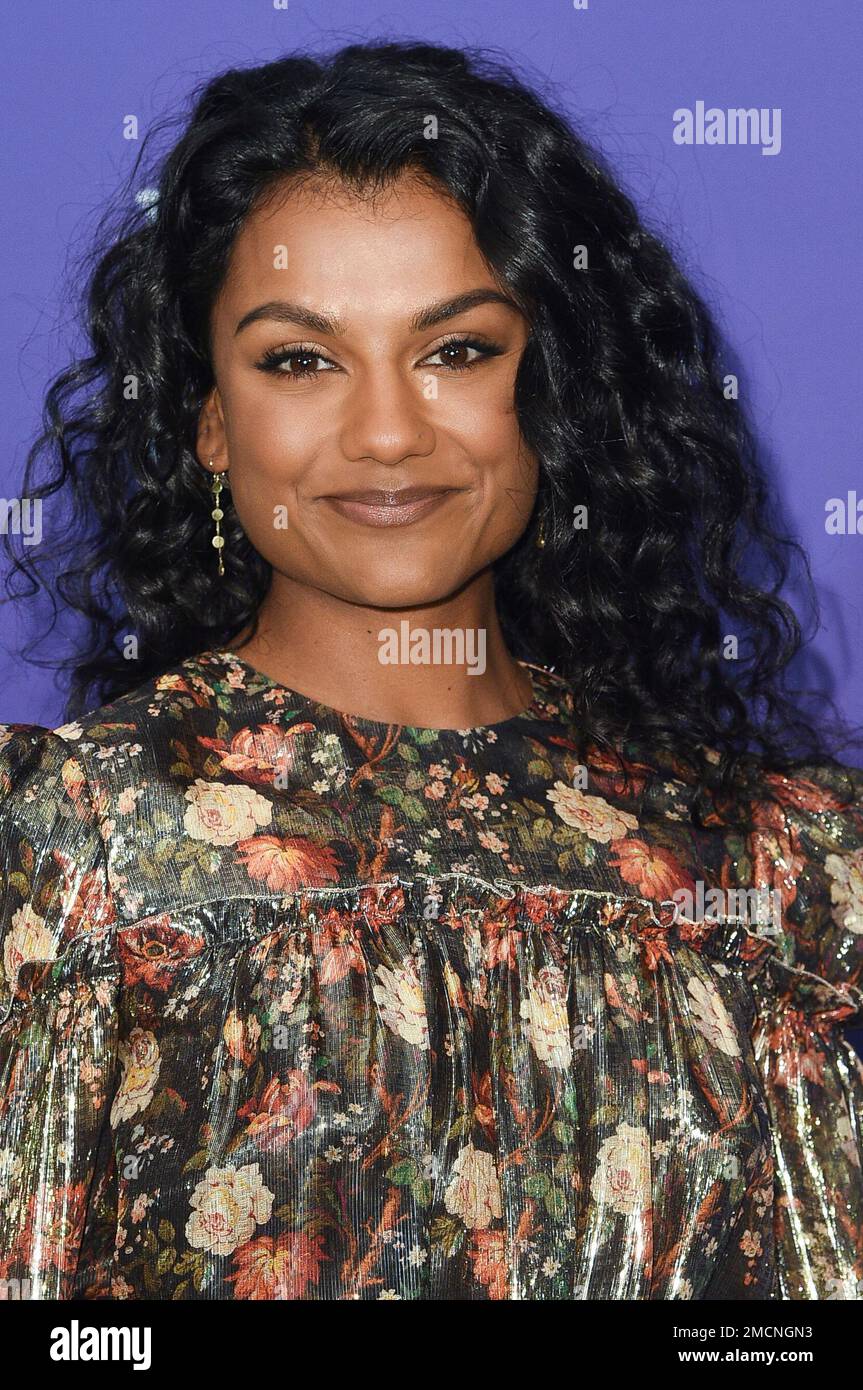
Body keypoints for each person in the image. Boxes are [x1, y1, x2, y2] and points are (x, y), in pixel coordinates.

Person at [1, 40, 861, 1302]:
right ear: (210, 421)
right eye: (299, 359)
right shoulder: (71, 845)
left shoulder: (771, 872)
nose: (388, 431)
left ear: (555, 388)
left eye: (455, 350)